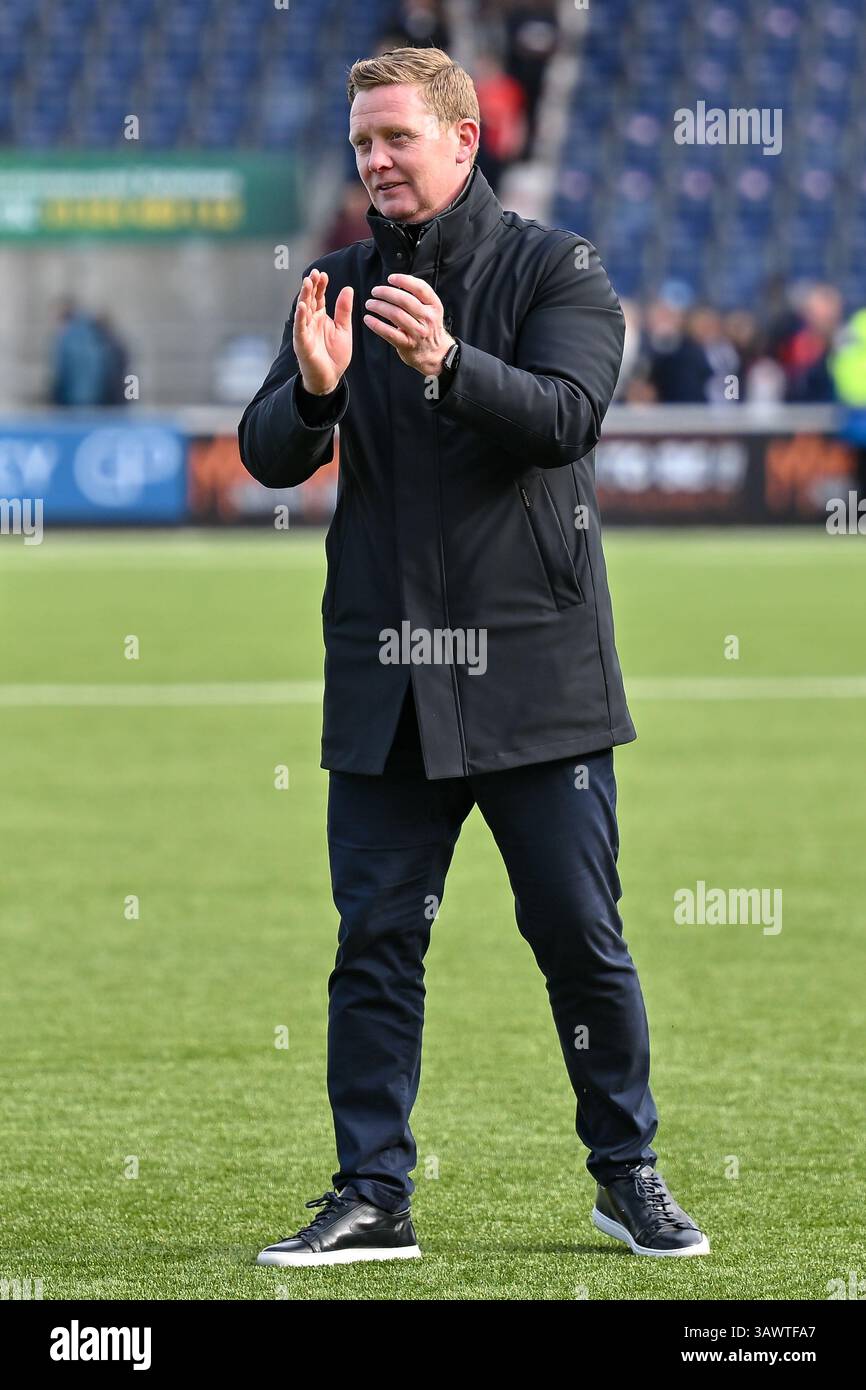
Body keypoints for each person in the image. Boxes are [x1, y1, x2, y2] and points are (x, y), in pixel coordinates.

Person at [238, 46, 709, 1266]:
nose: (375, 161)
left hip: (535, 678)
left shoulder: (561, 268)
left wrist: (446, 364)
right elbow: (266, 453)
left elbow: (566, 416)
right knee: (375, 945)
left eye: (395, 137)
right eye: (360, 145)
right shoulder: (334, 279)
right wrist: (314, 391)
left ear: (463, 139)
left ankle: (627, 1174)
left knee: (576, 937)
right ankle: (369, 1196)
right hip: (388, 679)